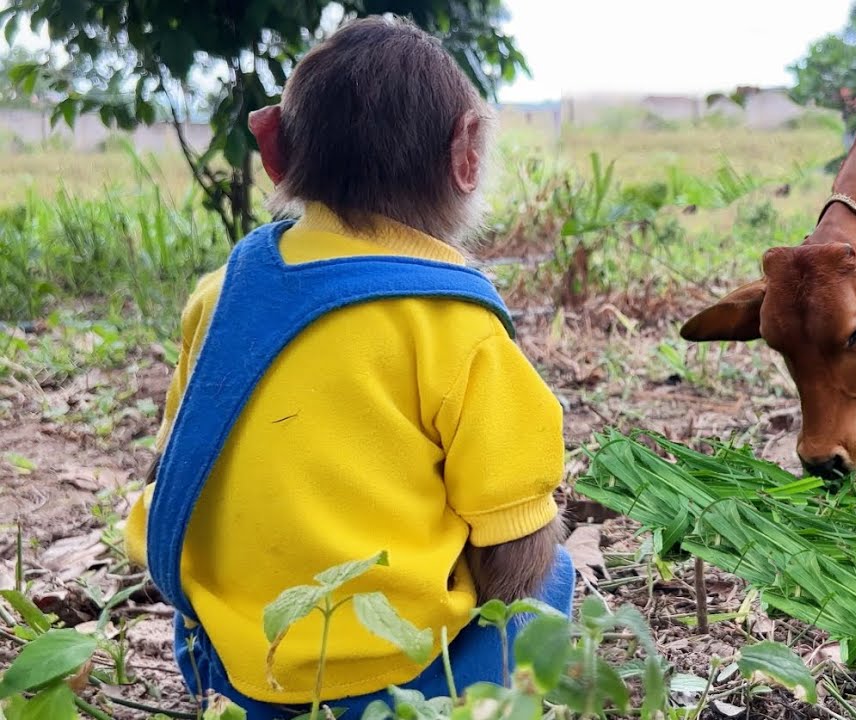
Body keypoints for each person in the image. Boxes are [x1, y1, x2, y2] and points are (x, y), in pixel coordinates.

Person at [122, 15, 574, 717]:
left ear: (274, 149)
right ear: (465, 153)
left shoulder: (219, 296)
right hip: (406, 691)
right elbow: (515, 555)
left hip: (235, 679)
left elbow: (169, 471)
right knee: (554, 574)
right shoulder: (458, 324)